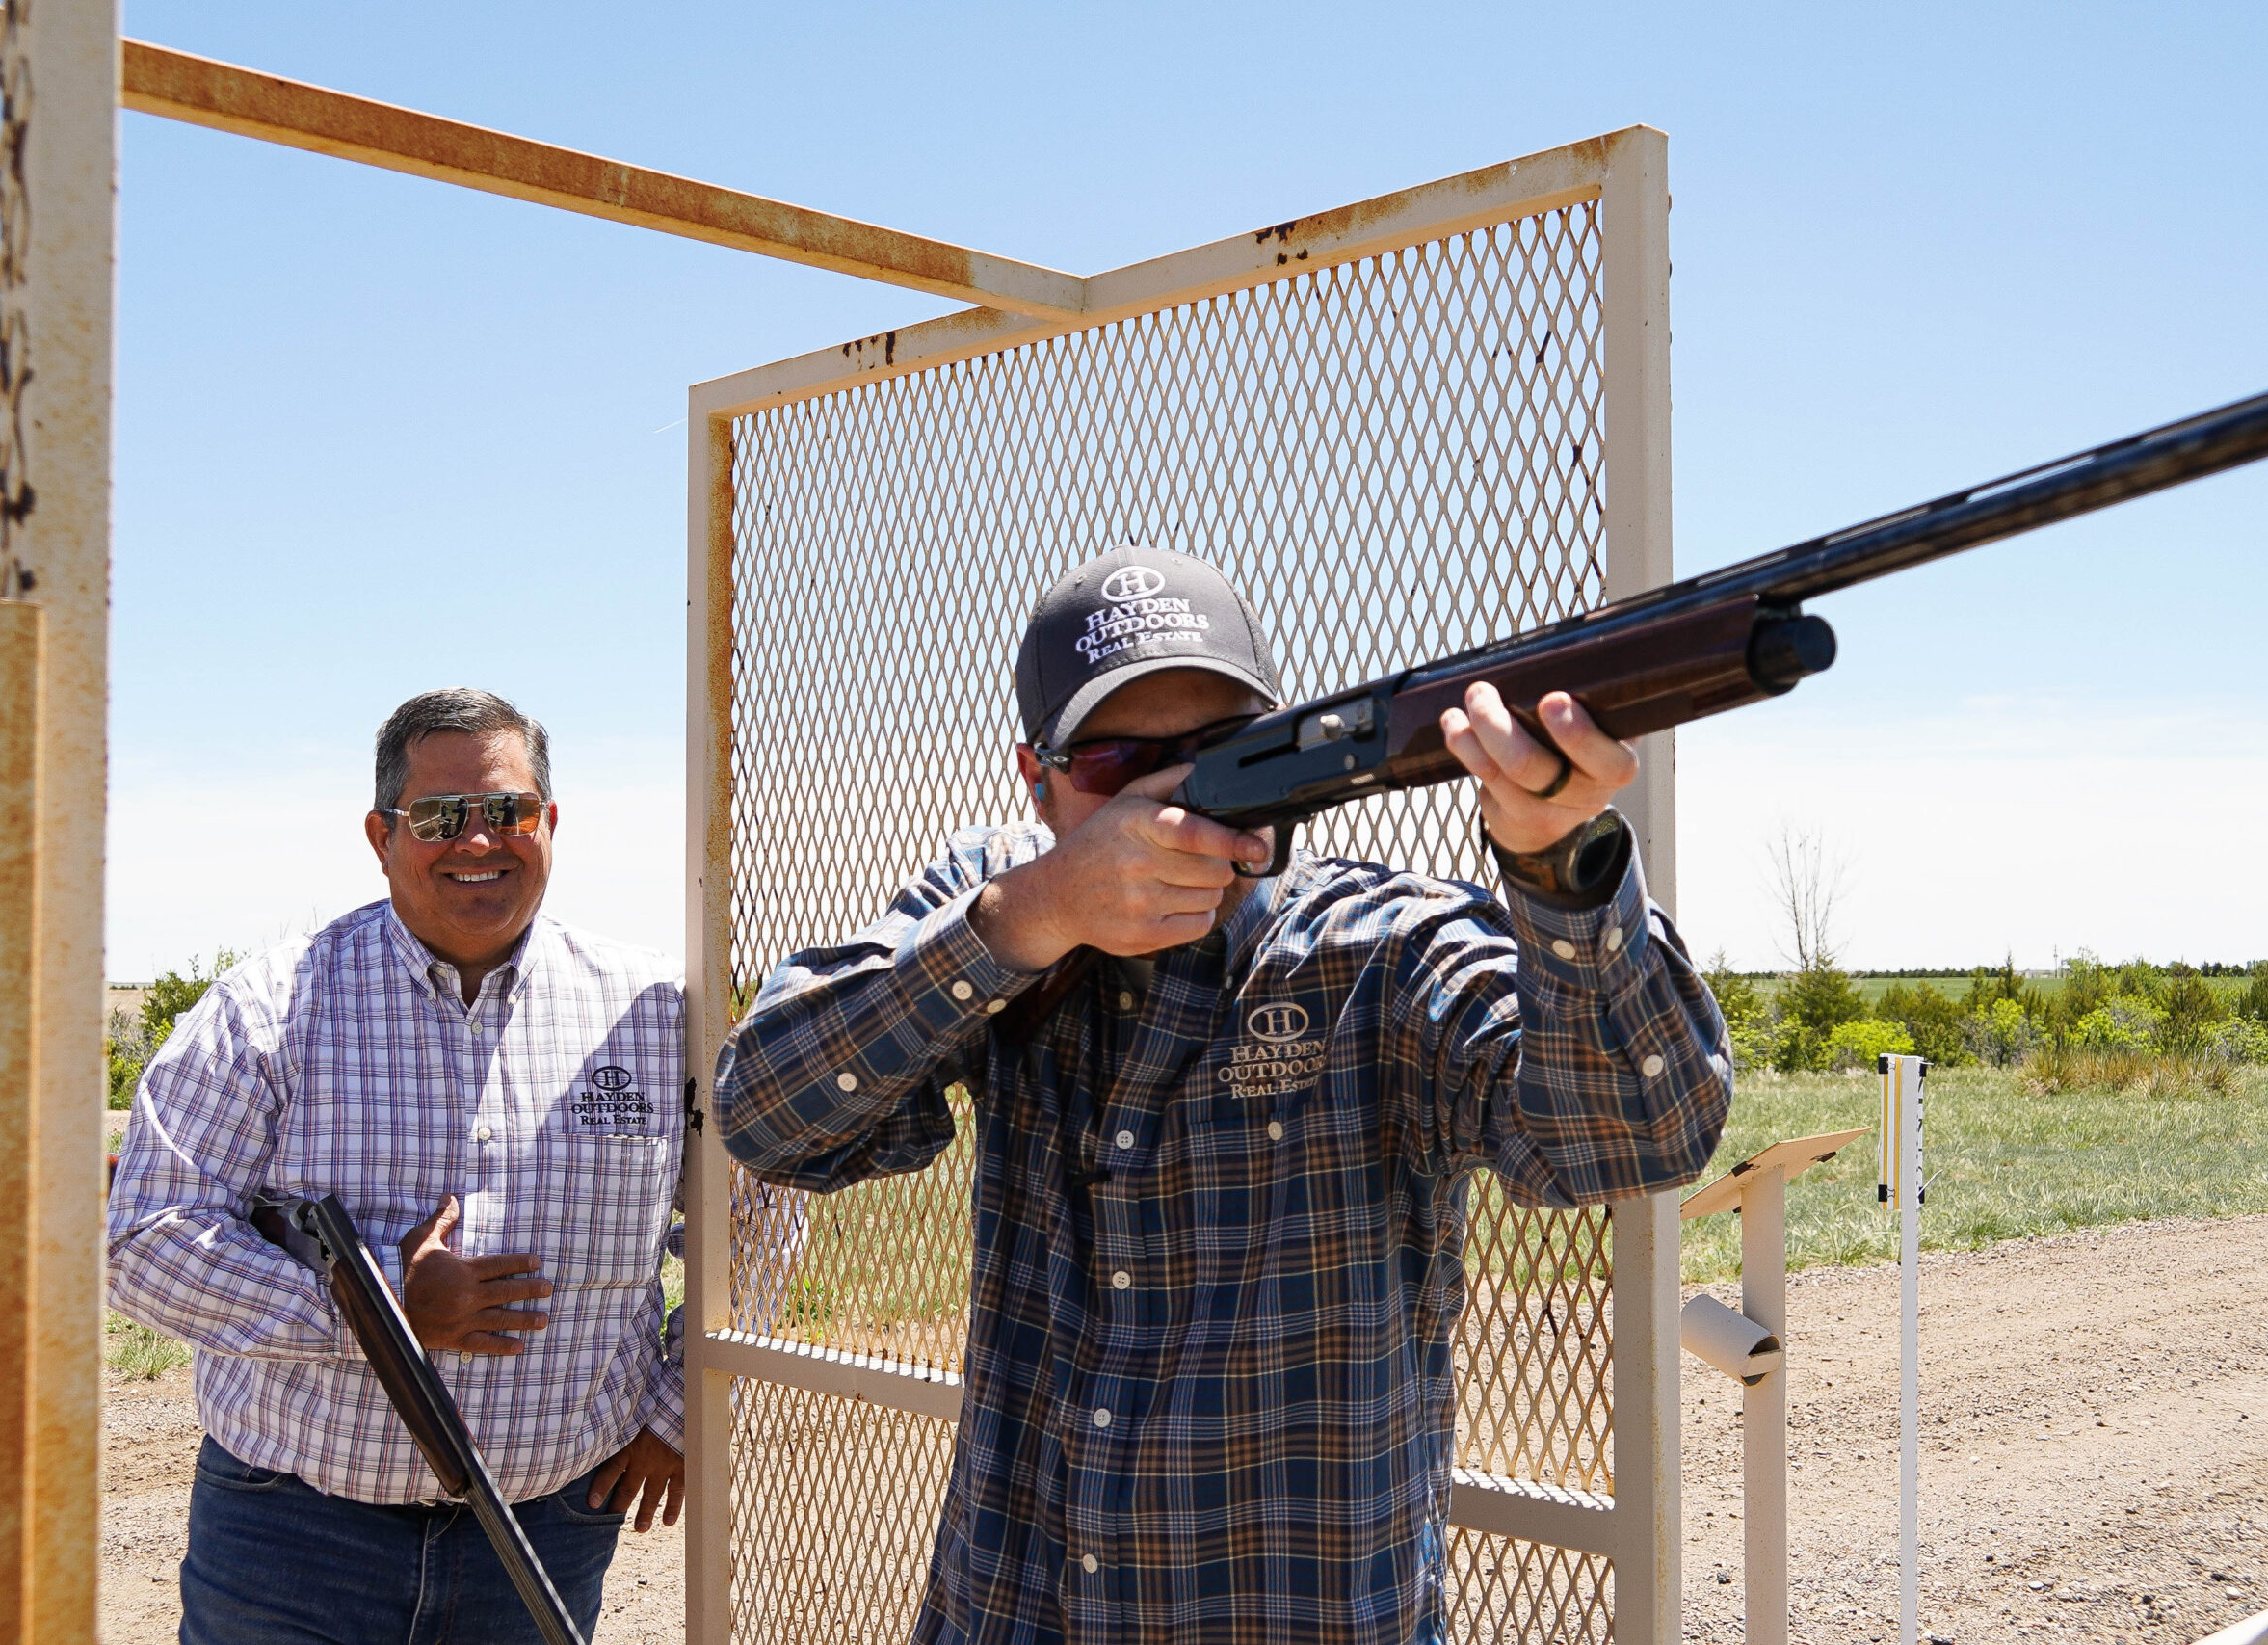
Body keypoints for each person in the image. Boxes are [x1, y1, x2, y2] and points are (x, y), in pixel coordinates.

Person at [714, 547, 1733, 1645]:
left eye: (1220, 754)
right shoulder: (1002, 899)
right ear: (1039, 777)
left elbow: (1640, 1137)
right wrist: (1023, 921)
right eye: (1118, 763)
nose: (1178, 799)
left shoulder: (1379, 948)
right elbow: (772, 1115)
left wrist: (1559, 858)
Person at [108, 688, 685, 1645]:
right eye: (439, 818)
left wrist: (675, 1408)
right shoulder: (271, 1010)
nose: (477, 841)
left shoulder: (656, 1014)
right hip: (292, 1533)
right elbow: (144, 1241)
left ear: (549, 823)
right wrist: (378, 1311)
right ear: (382, 837)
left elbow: (756, 1214)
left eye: (506, 810)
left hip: (545, 1531)